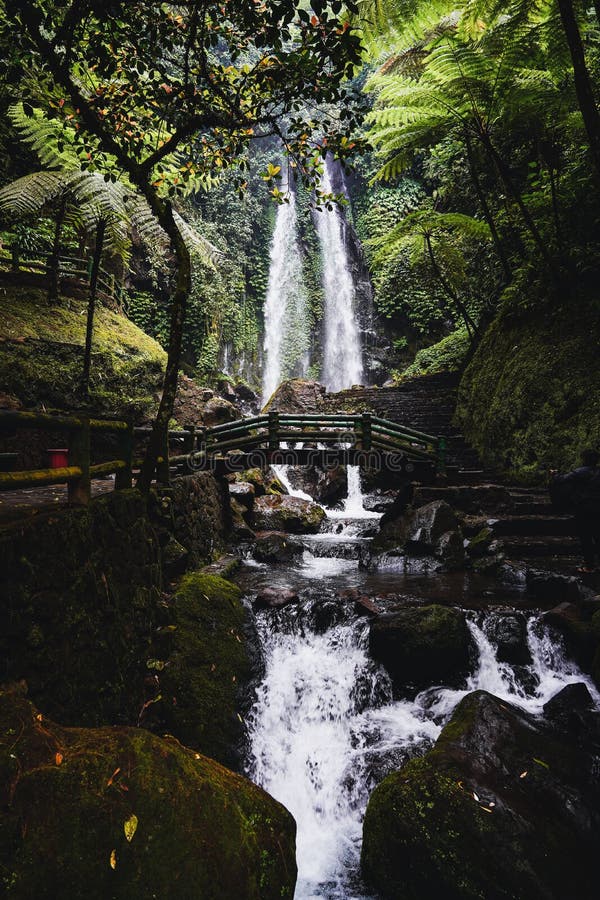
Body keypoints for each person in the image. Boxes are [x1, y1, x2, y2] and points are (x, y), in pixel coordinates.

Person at [550, 449, 600, 574]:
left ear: (584, 459)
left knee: (586, 537)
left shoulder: (579, 472)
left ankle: (589, 566)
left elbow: (561, 480)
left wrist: (554, 474)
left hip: (584, 508)